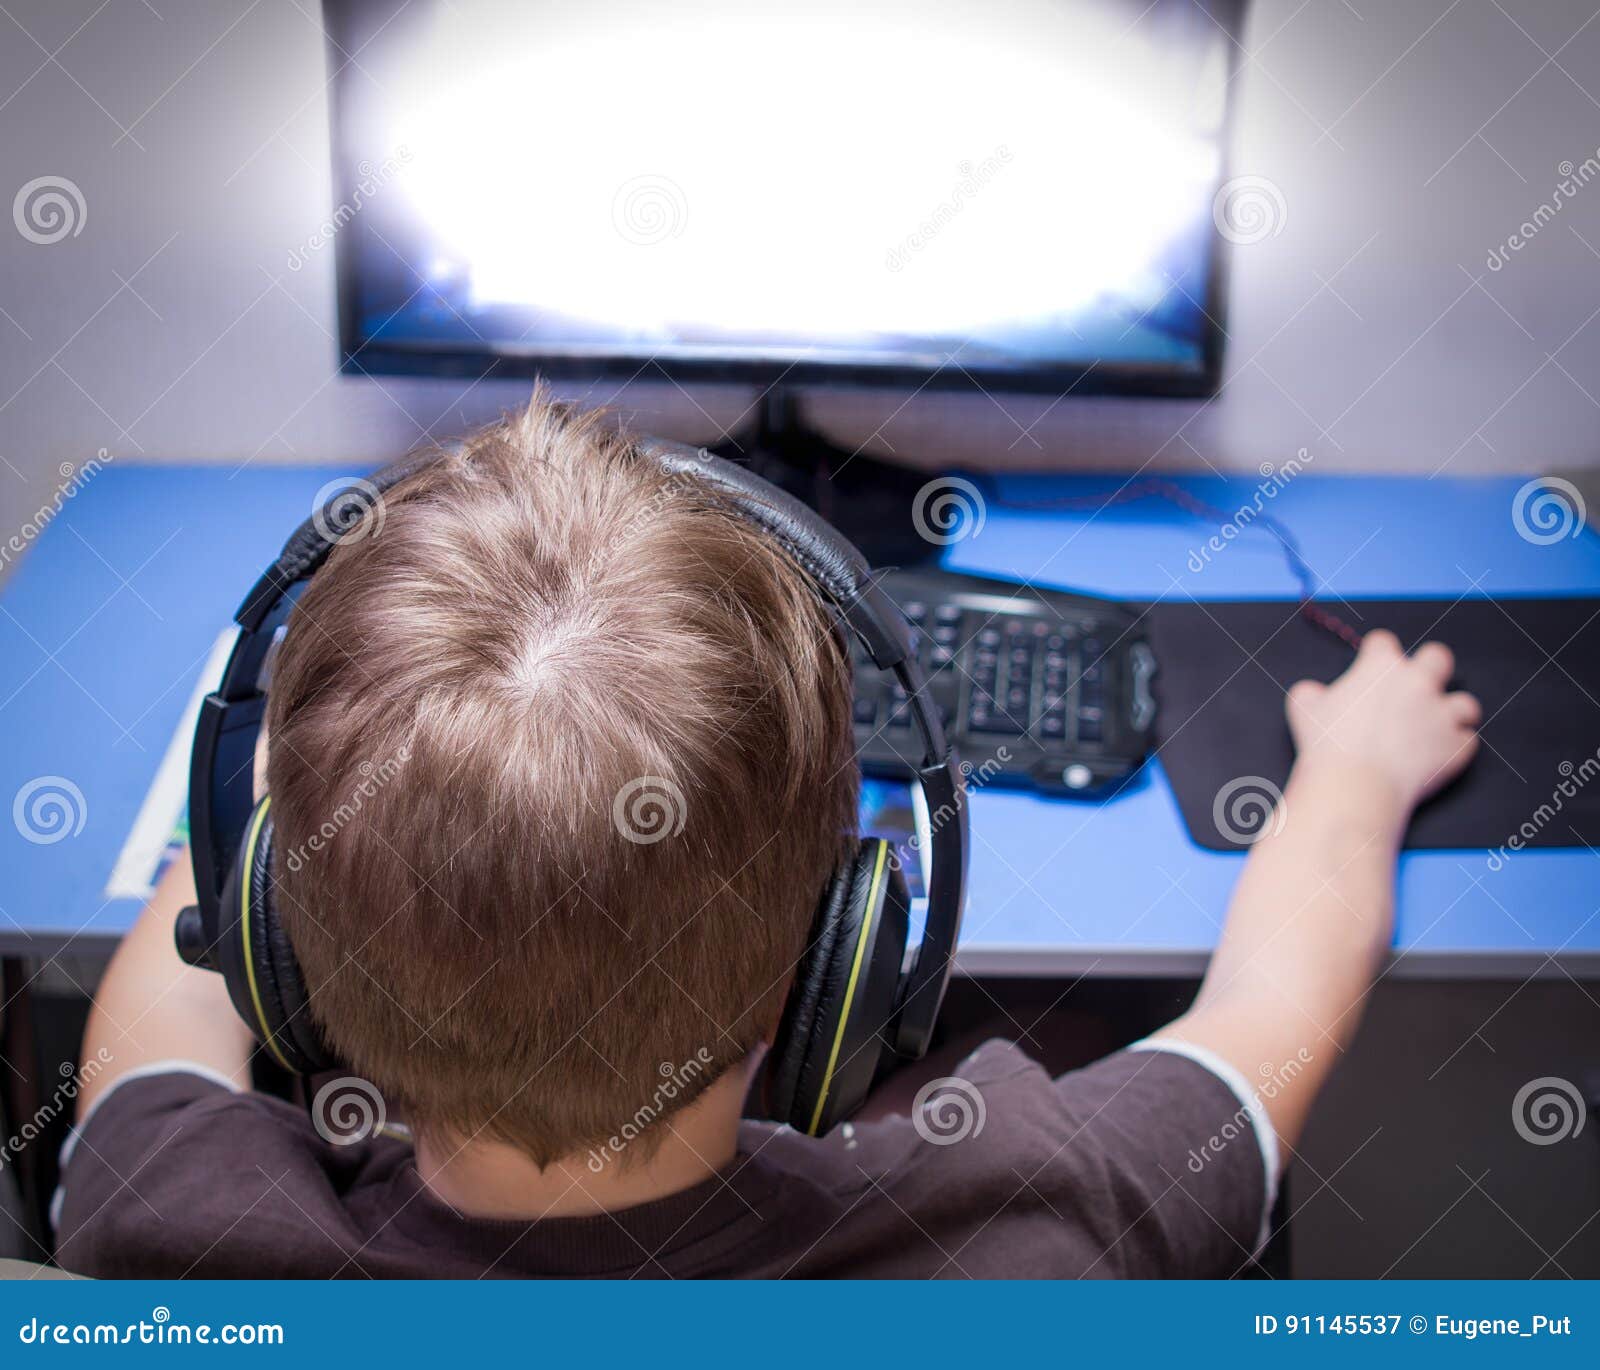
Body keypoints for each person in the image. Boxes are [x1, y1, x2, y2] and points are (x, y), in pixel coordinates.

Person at [53, 399, 1479, 1278]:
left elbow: (144, 1050)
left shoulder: (174, 1239)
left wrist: (286, 808)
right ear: (845, 953)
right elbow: (1270, 1012)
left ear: (274, 943)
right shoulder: (1040, 1232)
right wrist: (1356, 766)